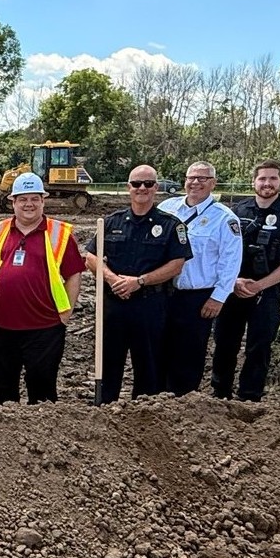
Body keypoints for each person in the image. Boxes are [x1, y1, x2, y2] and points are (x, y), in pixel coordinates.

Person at [84, 165, 192, 403]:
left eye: (148, 184)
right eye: (136, 184)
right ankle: (104, 408)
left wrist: (140, 281)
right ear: (128, 187)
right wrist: (113, 279)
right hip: (114, 305)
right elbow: (91, 257)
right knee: (108, 363)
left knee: (149, 366)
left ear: (156, 187)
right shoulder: (111, 222)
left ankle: (144, 412)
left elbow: (176, 264)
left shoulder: (171, 225)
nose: (142, 188)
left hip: (150, 305)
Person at [0, 173, 85, 405]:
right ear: (13, 202)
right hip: (0, 325)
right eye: (23, 199)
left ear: (43, 201)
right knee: (3, 388)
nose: (29, 204)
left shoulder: (59, 234)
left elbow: (73, 275)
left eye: (35, 198)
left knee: (42, 389)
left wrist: (66, 314)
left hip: (45, 328)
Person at [212, 159, 280, 401]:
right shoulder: (236, 212)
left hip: (266, 292)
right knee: (224, 343)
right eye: (262, 178)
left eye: (273, 178)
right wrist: (234, 281)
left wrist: (259, 285)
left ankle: (250, 398)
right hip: (232, 288)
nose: (267, 183)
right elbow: (218, 251)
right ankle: (219, 395)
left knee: (259, 346)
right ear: (253, 182)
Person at [157, 161, 243, 396]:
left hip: (197, 297)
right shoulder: (167, 208)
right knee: (158, 349)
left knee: (188, 354)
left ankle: (184, 400)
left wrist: (218, 297)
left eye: (202, 178)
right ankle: (156, 400)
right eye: (191, 178)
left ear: (213, 183)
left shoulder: (224, 219)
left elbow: (231, 261)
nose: (195, 182)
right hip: (163, 293)